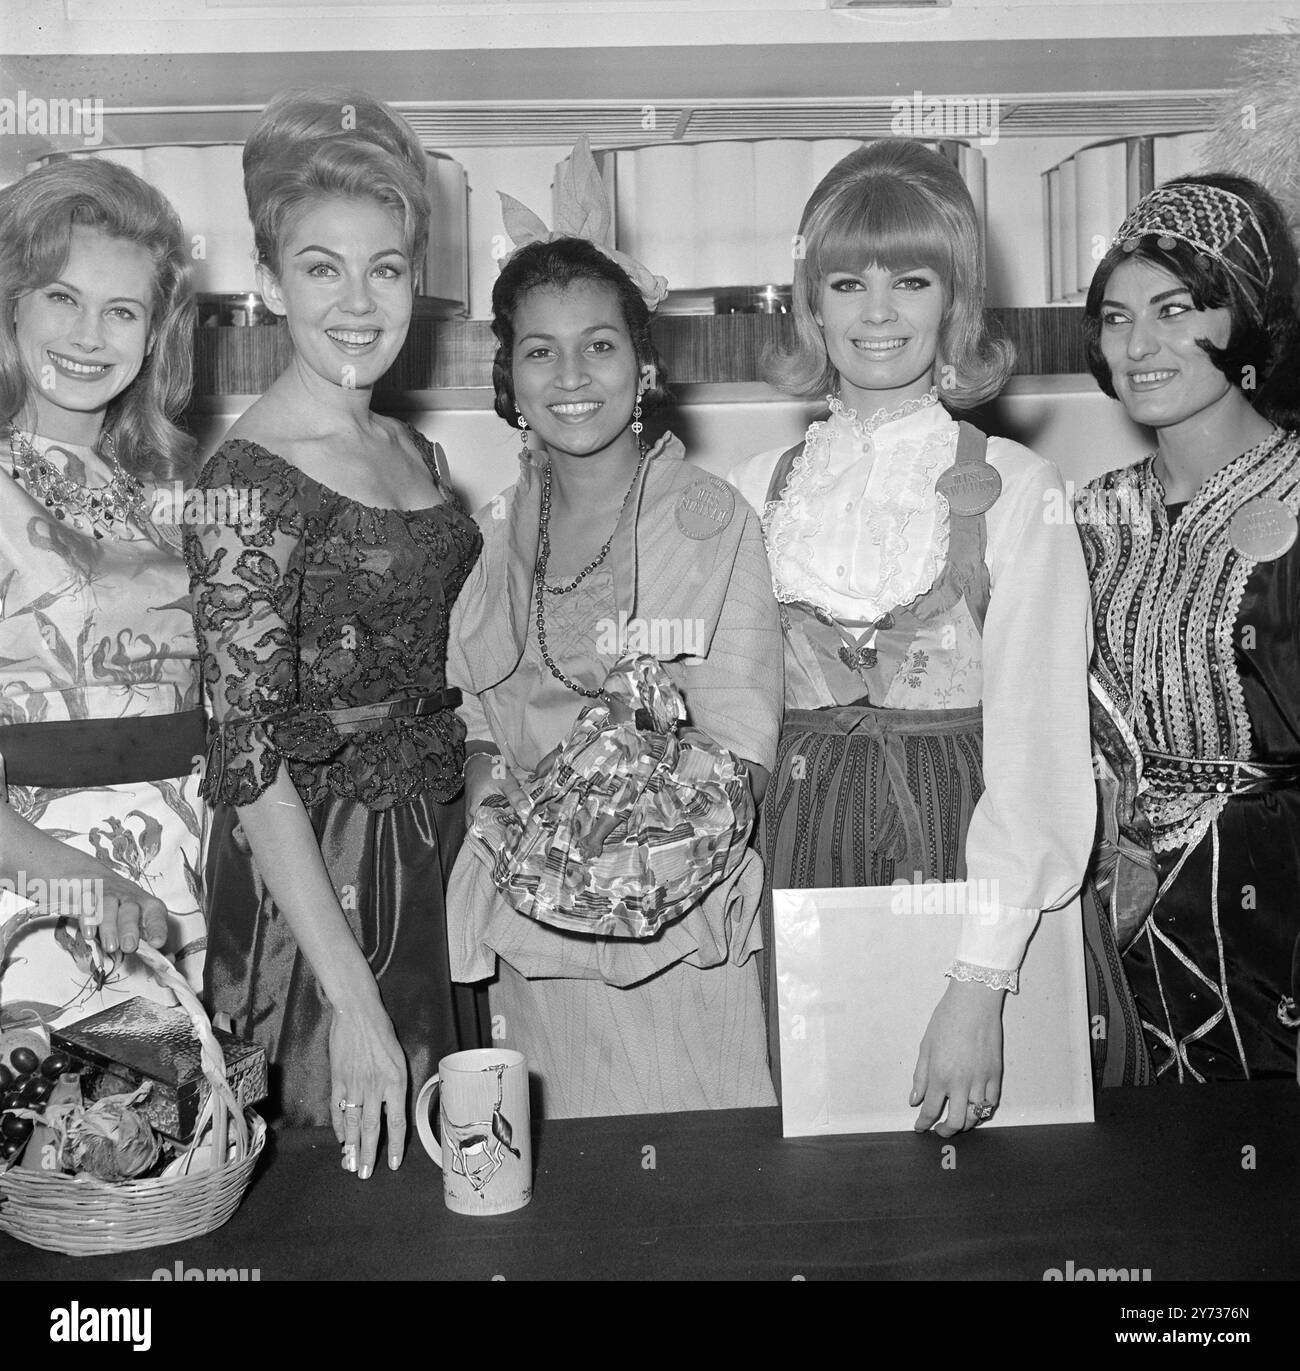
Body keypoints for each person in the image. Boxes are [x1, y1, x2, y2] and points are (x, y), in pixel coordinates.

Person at [728, 140, 1096, 1135]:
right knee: (826, 1159)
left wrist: (981, 980)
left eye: (912, 279)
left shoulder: (1021, 489)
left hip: (966, 856)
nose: (878, 312)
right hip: (802, 851)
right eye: (846, 283)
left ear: (954, 301)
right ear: (810, 304)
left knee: (992, 1188)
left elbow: (1040, 750)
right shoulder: (750, 491)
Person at [184, 89, 487, 1173]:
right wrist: (353, 1004)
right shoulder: (245, 482)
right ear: (267, 286)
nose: (359, 303)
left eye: (387, 268)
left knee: (461, 1174)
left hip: (431, 846)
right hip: (321, 872)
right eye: (321, 268)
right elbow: (248, 755)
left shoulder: (411, 449)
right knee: (341, 1179)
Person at [447, 235, 782, 1117]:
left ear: (644, 368)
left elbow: (743, 746)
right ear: (508, 382)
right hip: (531, 932)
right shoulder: (494, 533)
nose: (571, 374)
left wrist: (616, 857)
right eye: (539, 351)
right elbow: (475, 714)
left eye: (599, 345)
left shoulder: (709, 519)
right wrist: (508, 820)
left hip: (675, 924)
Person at [1077, 174, 1300, 1083]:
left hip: (1273, 919)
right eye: (1117, 318)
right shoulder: (1090, 515)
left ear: (1241, 319)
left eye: (1174, 310)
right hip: (1115, 914)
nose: (1140, 345)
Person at [0, 157, 206, 1023]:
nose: (90, 336)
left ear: (155, 336)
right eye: (61, 297)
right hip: (37, 887)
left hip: (190, 874)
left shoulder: (179, 484)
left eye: (121, 310)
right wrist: (67, 873)